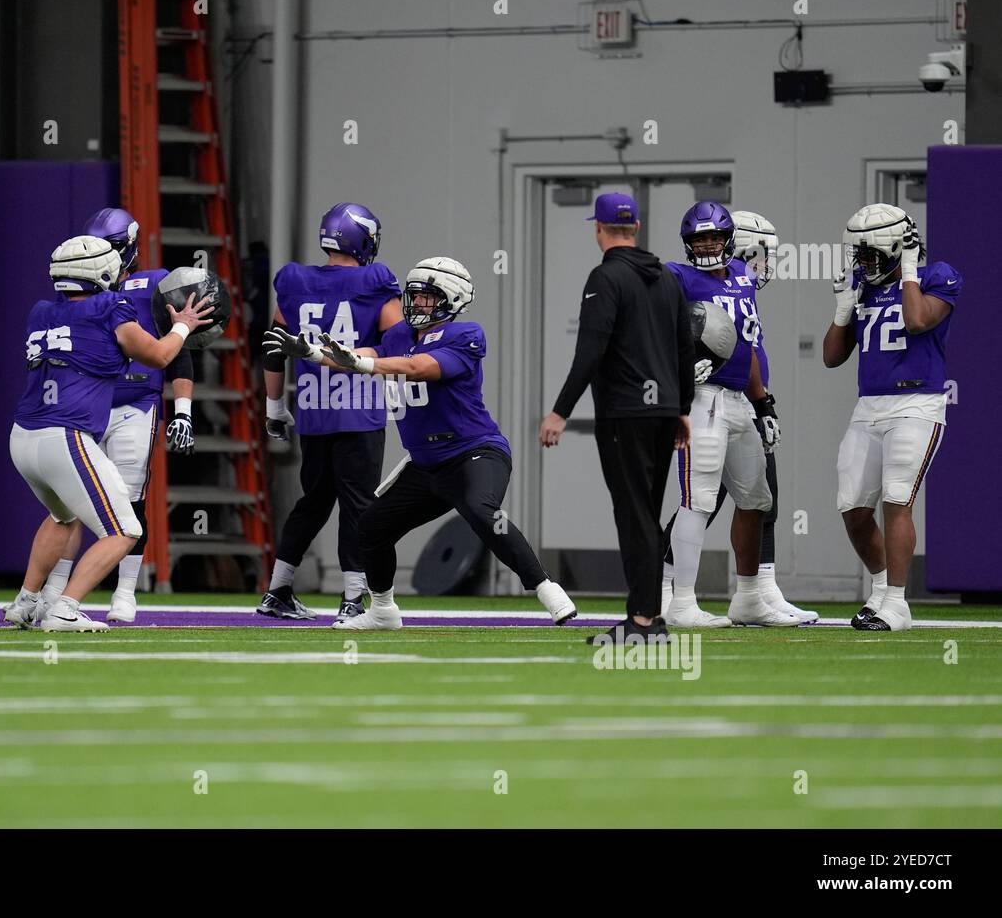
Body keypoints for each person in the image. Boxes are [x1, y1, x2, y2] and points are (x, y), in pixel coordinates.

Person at [265, 256, 576, 631]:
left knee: (480, 511)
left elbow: (418, 367)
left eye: (426, 297)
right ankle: (382, 610)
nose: (416, 304)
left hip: (474, 452)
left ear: (452, 298)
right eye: (413, 296)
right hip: (425, 465)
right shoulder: (398, 336)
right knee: (372, 526)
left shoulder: (466, 334)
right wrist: (315, 354)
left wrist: (362, 365)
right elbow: (367, 355)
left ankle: (546, 589)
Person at [2, 235, 215, 632]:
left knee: (61, 517)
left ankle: (25, 602)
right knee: (125, 530)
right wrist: (182, 327)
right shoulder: (111, 306)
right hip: (63, 435)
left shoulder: (41, 311)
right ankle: (65, 608)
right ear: (100, 272)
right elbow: (160, 355)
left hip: (23, 436)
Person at [538, 192, 692, 642]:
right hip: (663, 412)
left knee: (634, 515)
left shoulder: (605, 278)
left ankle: (643, 620)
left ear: (598, 229)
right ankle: (649, 617)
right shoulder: (667, 277)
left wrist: (560, 412)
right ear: (637, 227)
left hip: (625, 414)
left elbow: (591, 350)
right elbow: (684, 346)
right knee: (646, 510)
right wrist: (681, 408)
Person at [658, 210, 817, 622]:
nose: (706, 246)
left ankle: (748, 599)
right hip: (701, 398)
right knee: (698, 502)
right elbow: (647, 328)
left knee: (757, 499)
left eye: (714, 239)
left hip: (739, 402)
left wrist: (763, 403)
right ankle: (680, 603)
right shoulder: (675, 277)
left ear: (729, 240)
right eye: (698, 240)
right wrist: (671, 369)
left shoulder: (744, 278)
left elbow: (744, 348)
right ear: (686, 244)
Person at [258, 202, 403, 622]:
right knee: (360, 504)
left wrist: (275, 407)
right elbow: (396, 344)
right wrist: (366, 356)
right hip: (357, 408)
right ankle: (353, 598)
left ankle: (277, 590)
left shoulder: (294, 280)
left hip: (315, 412)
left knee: (314, 501)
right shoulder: (375, 279)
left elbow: (273, 348)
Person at [823, 204, 961, 631]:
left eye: (871, 254)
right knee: (852, 507)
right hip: (869, 407)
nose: (864, 263)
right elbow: (831, 357)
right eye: (859, 254)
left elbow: (918, 320)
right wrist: (843, 311)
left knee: (897, 500)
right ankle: (882, 590)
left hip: (917, 405)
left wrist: (908, 272)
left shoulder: (938, 274)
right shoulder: (863, 285)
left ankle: (897, 605)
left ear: (901, 248)